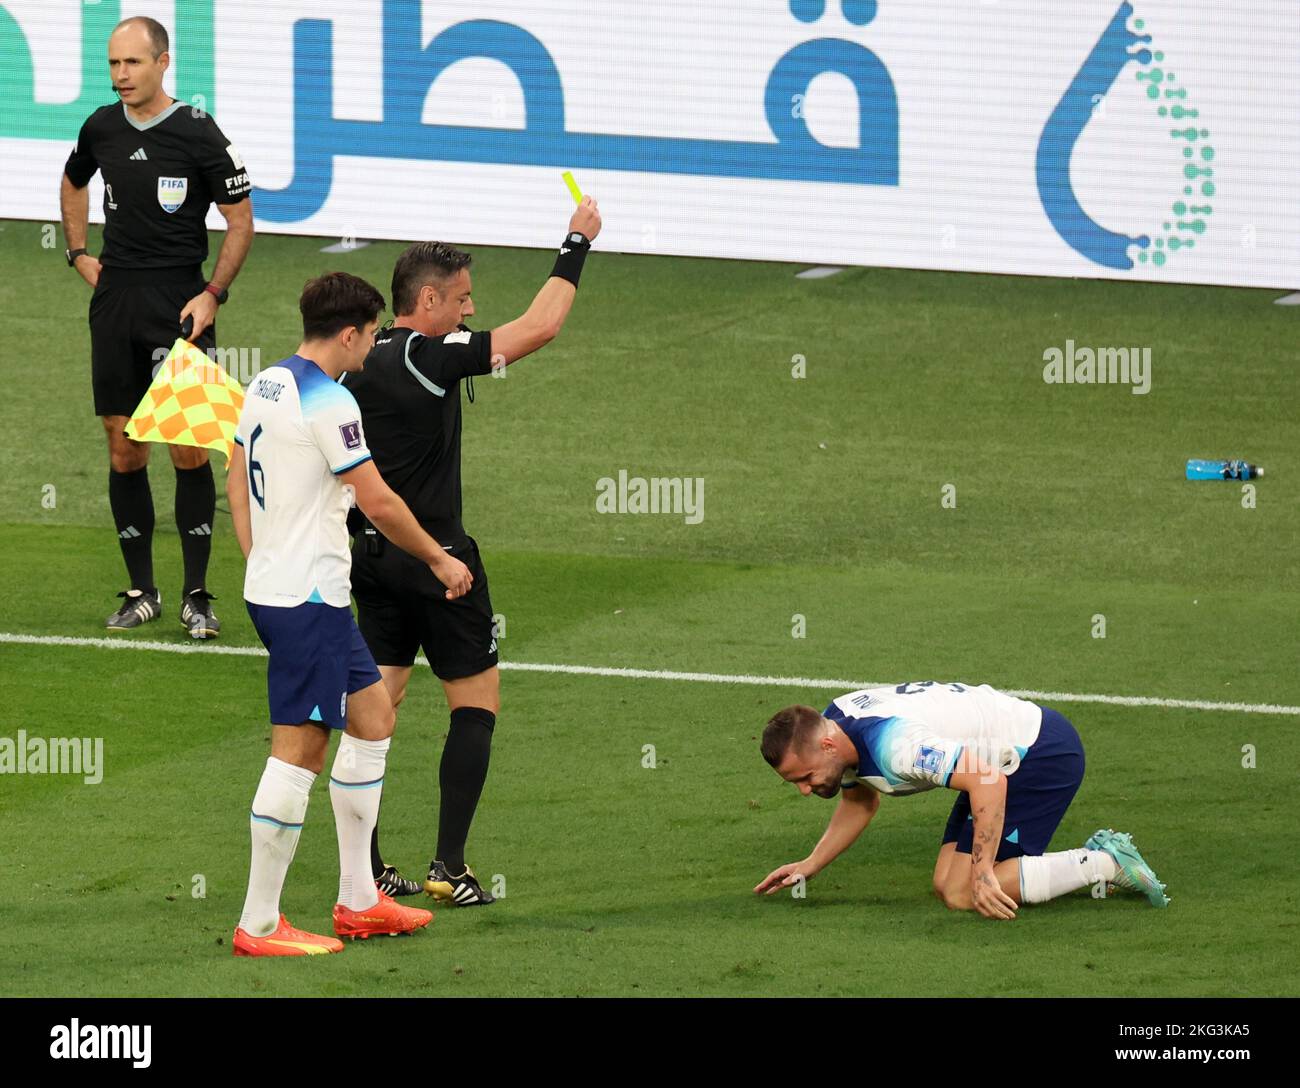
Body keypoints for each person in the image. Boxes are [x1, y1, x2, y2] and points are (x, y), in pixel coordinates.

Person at [342, 198, 602, 904]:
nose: (468, 310)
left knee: (374, 713)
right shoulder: (427, 357)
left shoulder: (351, 364)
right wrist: (575, 242)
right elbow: (539, 326)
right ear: (425, 300)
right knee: (474, 706)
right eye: (459, 299)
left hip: (369, 558)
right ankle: (449, 867)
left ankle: (366, 869)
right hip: (440, 562)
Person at [226, 271, 474, 955]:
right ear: (348, 334)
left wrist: (261, 558)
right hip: (308, 599)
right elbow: (381, 502)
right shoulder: (331, 401)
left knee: (373, 717)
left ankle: (360, 899)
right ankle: (259, 923)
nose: (375, 343)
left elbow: (235, 471)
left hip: (292, 590)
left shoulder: (266, 383)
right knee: (300, 751)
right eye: (371, 334)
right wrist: (440, 560)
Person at [60, 15, 254, 637]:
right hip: (116, 301)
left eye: (132, 64)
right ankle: (142, 590)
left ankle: (198, 595)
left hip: (179, 302)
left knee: (189, 447)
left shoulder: (198, 132)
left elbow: (241, 218)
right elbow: (73, 180)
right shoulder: (101, 126)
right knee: (123, 448)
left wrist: (213, 293)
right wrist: (78, 252)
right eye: (113, 64)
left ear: (163, 62)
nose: (120, 76)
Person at [755, 680, 1170, 918]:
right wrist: (810, 865)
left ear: (827, 746)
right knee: (945, 884)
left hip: (1040, 756)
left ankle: (1106, 862)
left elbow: (988, 781)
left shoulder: (898, 748)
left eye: (807, 777)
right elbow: (860, 802)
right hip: (998, 756)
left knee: (962, 891)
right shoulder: (836, 723)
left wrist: (985, 871)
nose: (805, 790)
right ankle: (1094, 861)